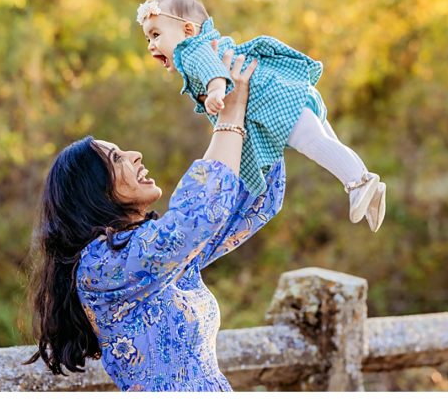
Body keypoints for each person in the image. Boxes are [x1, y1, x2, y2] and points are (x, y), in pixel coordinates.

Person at [25, 52, 280, 390]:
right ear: (94, 192)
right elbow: (198, 216)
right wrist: (229, 117)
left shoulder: (162, 255)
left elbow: (252, 203)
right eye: (116, 159)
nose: (135, 155)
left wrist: (249, 107)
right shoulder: (102, 265)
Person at [138, 0, 384, 230]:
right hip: (288, 89)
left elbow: (212, 71)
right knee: (327, 141)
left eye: (156, 34)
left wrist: (215, 91)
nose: (151, 45)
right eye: (148, 38)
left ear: (188, 30)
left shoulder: (189, 50)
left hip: (275, 101)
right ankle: (368, 185)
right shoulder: (207, 44)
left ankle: (357, 184)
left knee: (312, 142)